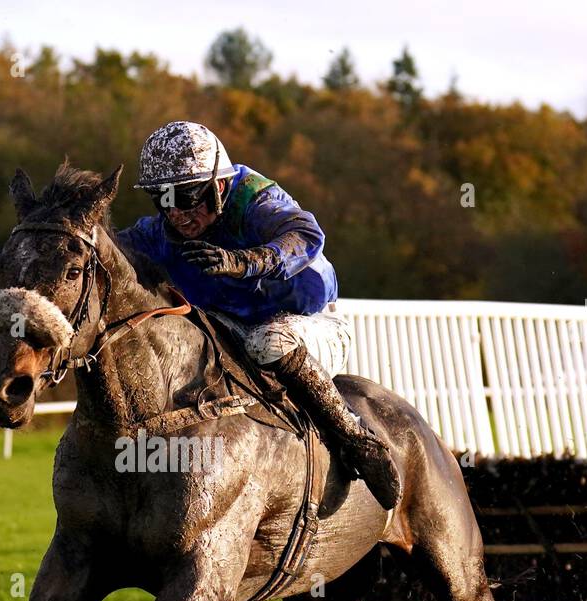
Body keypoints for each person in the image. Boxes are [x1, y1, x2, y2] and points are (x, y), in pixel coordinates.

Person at [117, 120, 401, 510]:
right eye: (162, 199)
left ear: (218, 187)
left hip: (309, 323)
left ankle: (356, 438)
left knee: (268, 341)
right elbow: (101, 253)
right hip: (233, 326)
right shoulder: (160, 231)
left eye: (185, 197)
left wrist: (244, 261)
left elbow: (306, 233)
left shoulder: (254, 199)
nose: (175, 214)